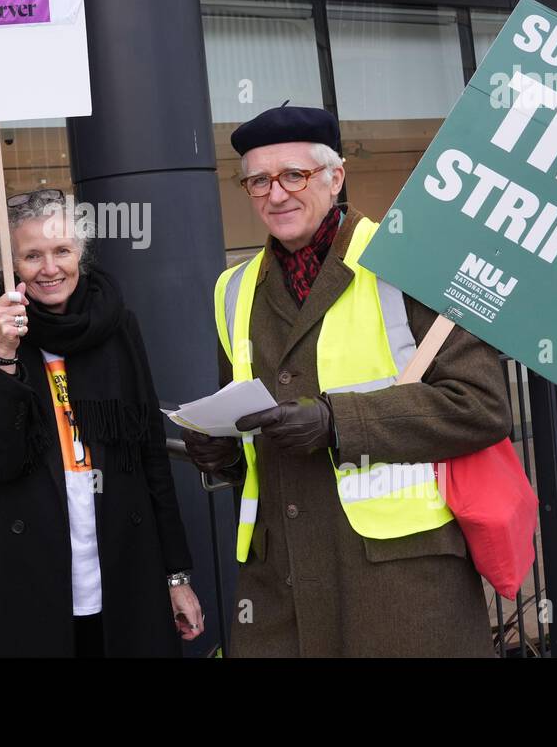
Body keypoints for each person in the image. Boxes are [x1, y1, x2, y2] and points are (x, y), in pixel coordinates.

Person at [183, 103, 512, 657]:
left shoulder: (410, 261)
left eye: (294, 175)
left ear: (336, 177)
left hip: (399, 580)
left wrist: (336, 423)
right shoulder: (231, 289)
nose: (276, 194)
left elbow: (481, 405)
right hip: (279, 583)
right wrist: (222, 452)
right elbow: (248, 424)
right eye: (258, 181)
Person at [0, 189, 203, 657]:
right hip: (32, 572)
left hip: (122, 563)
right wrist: (4, 355)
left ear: (80, 254)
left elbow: (150, 450)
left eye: (62, 251)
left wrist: (176, 576)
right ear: (10, 266)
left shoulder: (116, 321)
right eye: (31, 256)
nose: (50, 269)